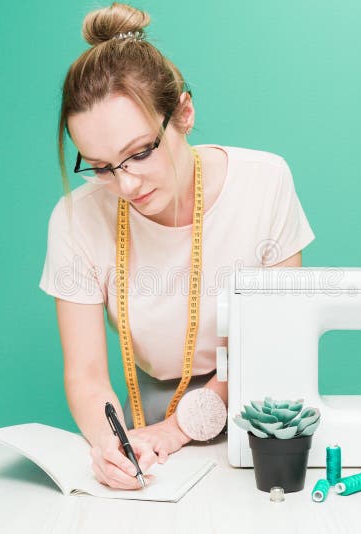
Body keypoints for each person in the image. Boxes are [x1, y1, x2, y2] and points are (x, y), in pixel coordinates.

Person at [38, 2, 315, 490]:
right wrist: (111, 447)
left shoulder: (265, 182)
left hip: (267, 407)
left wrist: (180, 427)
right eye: (100, 166)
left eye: (138, 153)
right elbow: (84, 374)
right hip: (149, 419)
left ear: (184, 113)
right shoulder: (75, 219)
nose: (124, 184)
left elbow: (278, 342)